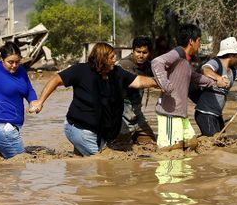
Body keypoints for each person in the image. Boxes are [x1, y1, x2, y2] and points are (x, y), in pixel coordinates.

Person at [29, 42, 157, 156]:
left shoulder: (116, 73)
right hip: (80, 130)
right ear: (102, 59)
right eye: (112, 57)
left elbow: (139, 81)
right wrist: (40, 101)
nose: (115, 60)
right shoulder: (81, 70)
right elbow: (56, 79)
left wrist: (159, 82)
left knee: (84, 165)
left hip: (99, 133)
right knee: (107, 162)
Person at [150, 24, 220, 148]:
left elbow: (194, 76)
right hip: (169, 114)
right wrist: (165, 84)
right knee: (170, 152)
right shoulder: (177, 53)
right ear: (191, 41)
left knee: (191, 145)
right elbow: (157, 62)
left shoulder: (186, 60)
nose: (200, 44)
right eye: (199, 40)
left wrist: (214, 82)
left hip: (180, 113)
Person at [196, 36, 237, 136]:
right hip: (205, 113)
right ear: (231, 55)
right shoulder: (216, 63)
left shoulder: (233, 71)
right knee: (213, 144)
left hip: (217, 114)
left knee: (221, 140)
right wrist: (218, 78)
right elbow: (205, 69)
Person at [115, 36, 156, 144]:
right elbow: (135, 82)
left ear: (149, 53)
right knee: (118, 146)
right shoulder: (124, 64)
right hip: (121, 113)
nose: (141, 55)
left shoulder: (148, 66)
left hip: (137, 113)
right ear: (133, 51)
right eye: (138, 52)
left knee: (151, 143)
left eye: (144, 52)